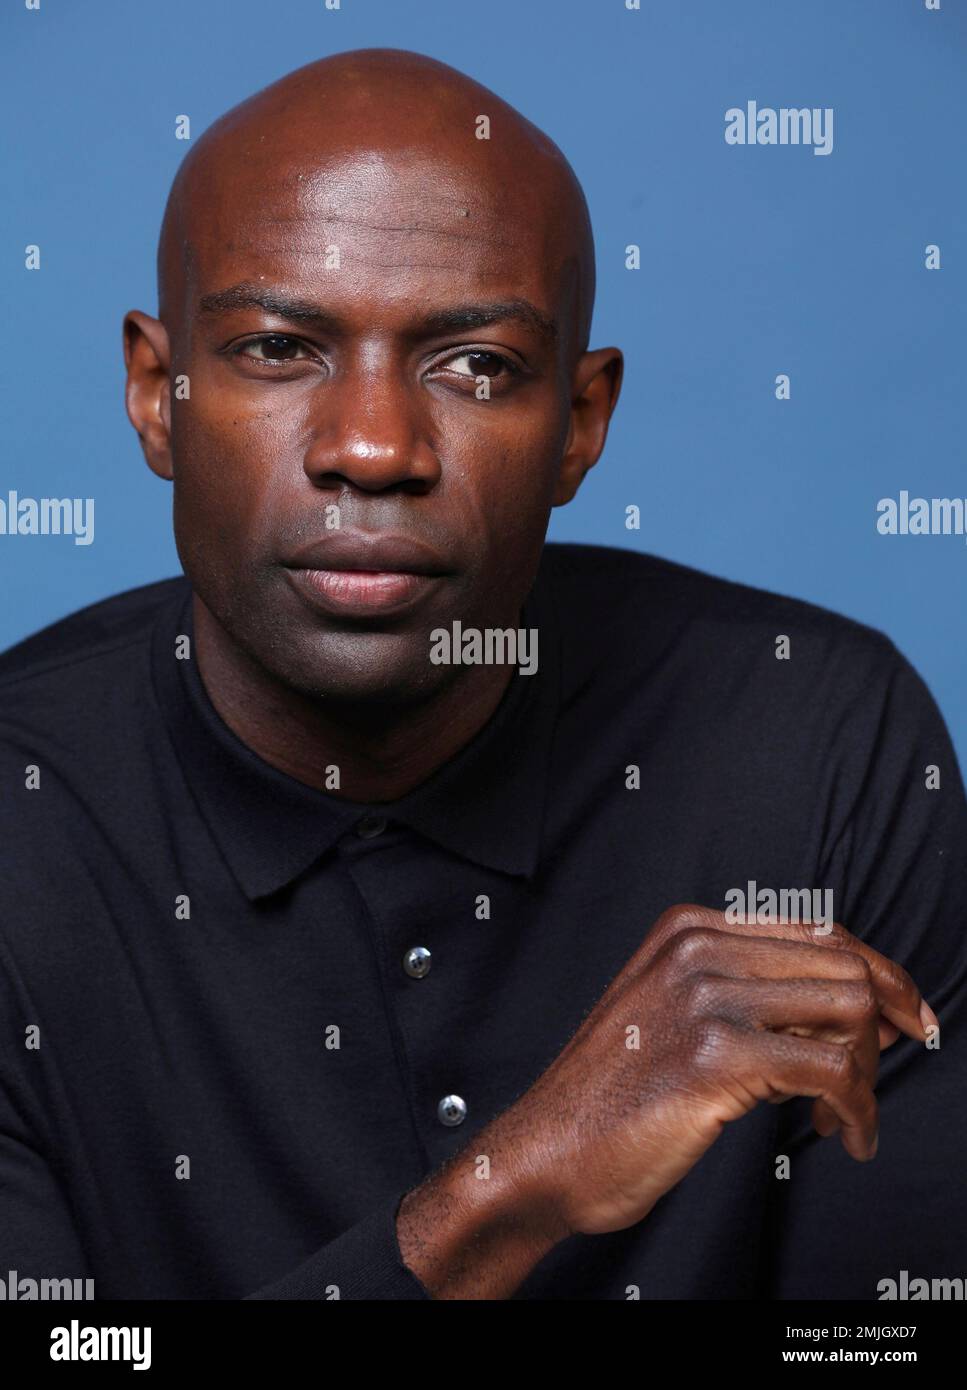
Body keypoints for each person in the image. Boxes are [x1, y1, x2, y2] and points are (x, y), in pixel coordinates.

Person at [1, 47, 964, 1301]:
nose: (371, 448)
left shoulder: (823, 745)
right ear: (156, 394)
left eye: (476, 368)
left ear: (580, 420)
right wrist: (508, 1192)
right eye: (281, 348)